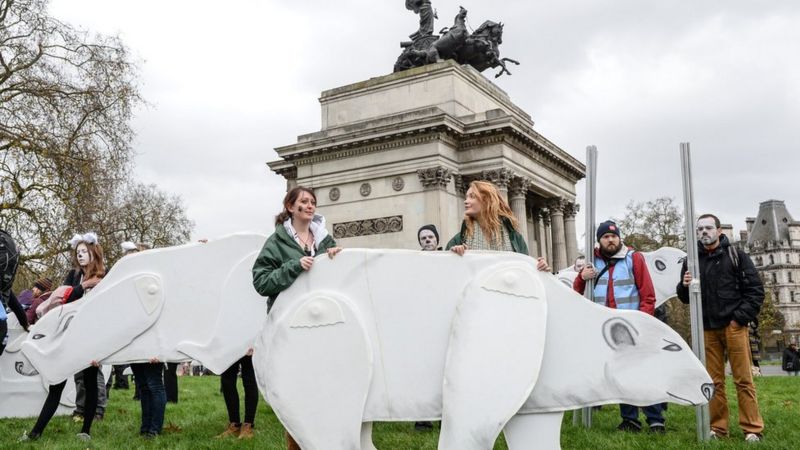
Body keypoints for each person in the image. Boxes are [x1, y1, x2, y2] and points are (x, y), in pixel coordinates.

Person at [252, 186, 341, 450]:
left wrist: (336, 259)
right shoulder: (277, 242)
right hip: (291, 329)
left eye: (313, 201)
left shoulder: (325, 240)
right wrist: (293, 266)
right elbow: (261, 282)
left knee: (325, 391)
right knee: (297, 394)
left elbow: (338, 281)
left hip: (324, 327)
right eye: (304, 201)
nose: (310, 205)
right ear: (290, 207)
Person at [677, 214, 765, 442]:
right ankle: (718, 428)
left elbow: (755, 291)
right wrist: (683, 286)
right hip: (707, 328)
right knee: (713, 381)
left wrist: (738, 319)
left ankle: (752, 429)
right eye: (700, 229)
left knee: (743, 379)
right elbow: (685, 298)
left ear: (719, 231)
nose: (704, 232)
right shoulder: (691, 260)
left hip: (733, 326)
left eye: (708, 228)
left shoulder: (736, 256)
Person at [573, 220, 663, 433]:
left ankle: (655, 419)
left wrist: (642, 323)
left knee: (643, 372)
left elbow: (648, 295)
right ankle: (630, 419)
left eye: (614, 236)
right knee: (622, 374)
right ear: (599, 240)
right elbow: (575, 294)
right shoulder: (591, 262)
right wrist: (581, 277)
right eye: (606, 237)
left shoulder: (634, 258)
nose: (611, 240)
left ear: (619, 238)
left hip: (632, 327)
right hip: (606, 330)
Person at [22, 233, 105, 441]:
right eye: (78, 252)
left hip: (91, 337)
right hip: (67, 334)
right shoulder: (73, 275)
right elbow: (66, 298)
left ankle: (86, 431)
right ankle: (35, 433)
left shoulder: (104, 277)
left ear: (94, 252)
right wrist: (83, 286)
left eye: (84, 251)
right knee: (56, 382)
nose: (80, 255)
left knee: (90, 382)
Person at [446, 180, 549, 275]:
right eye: (466, 197)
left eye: (472, 197)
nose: (465, 201)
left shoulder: (516, 239)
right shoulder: (459, 240)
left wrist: (540, 268)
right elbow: (446, 272)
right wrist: (454, 256)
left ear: (487, 200)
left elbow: (525, 272)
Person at [414, 224, 441, 432]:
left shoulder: (449, 259)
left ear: (437, 240)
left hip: (443, 322)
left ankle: (445, 417)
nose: (427, 240)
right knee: (423, 371)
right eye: (423, 238)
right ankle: (422, 418)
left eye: (430, 237)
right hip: (422, 324)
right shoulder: (414, 262)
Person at [216, 348, 259, 439]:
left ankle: (248, 425)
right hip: (230, 343)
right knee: (226, 380)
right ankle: (234, 424)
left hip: (248, 341)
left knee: (249, 380)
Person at [1, 229, 30, 356]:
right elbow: (14, 303)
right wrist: (25, 323)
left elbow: (14, 303)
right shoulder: (5, 285)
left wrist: (25, 323)